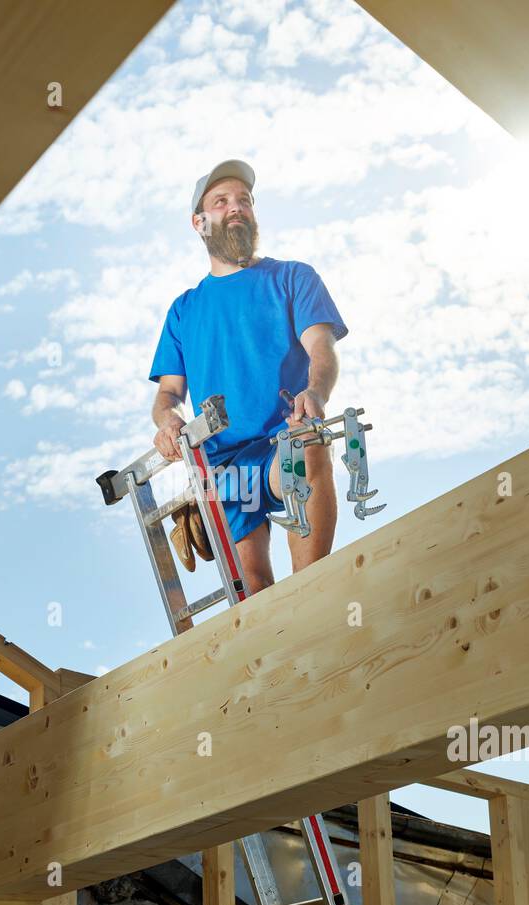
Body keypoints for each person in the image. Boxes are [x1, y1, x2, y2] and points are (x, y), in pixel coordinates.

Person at [148, 159, 348, 593]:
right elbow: (168, 395)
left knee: (307, 446)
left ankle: (313, 599)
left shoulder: (294, 277)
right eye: (221, 202)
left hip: (282, 438)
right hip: (222, 465)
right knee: (255, 593)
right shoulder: (185, 310)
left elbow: (321, 349)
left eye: (244, 200)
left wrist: (315, 392)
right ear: (199, 223)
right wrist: (167, 423)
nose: (235, 208)